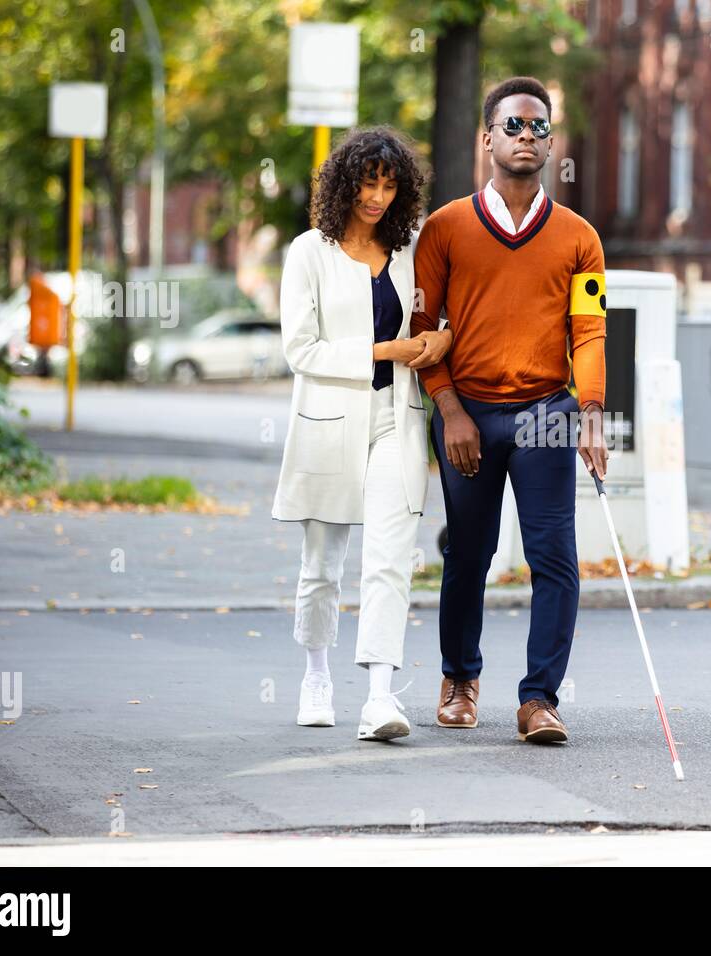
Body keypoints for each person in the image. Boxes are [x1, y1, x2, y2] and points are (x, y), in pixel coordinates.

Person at [409, 76, 609, 744]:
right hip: (467, 411)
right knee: (469, 552)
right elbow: (423, 330)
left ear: (551, 143)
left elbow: (589, 330)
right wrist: (448, 409)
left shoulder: (580, 237)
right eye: (513, 125)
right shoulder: (445, 228)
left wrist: (591, 410)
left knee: (555, 556)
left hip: (546, 412)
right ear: (486, 138)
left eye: (538, 127)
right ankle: (459, 679)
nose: (527, 136)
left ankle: (539, 699)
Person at [272, 126, 452, 740]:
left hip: (396, 418)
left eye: (389, 186)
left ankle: (378, 698)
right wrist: (385, 350)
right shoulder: (308, 252)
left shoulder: (408, 250)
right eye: (367, 184)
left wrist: (439, 339)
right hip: (329, 422)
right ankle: (316, 676)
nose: (376, 197)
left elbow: (439, 313)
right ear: (345, 185)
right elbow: (300, 349)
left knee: (390, 559)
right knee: (322, 565)